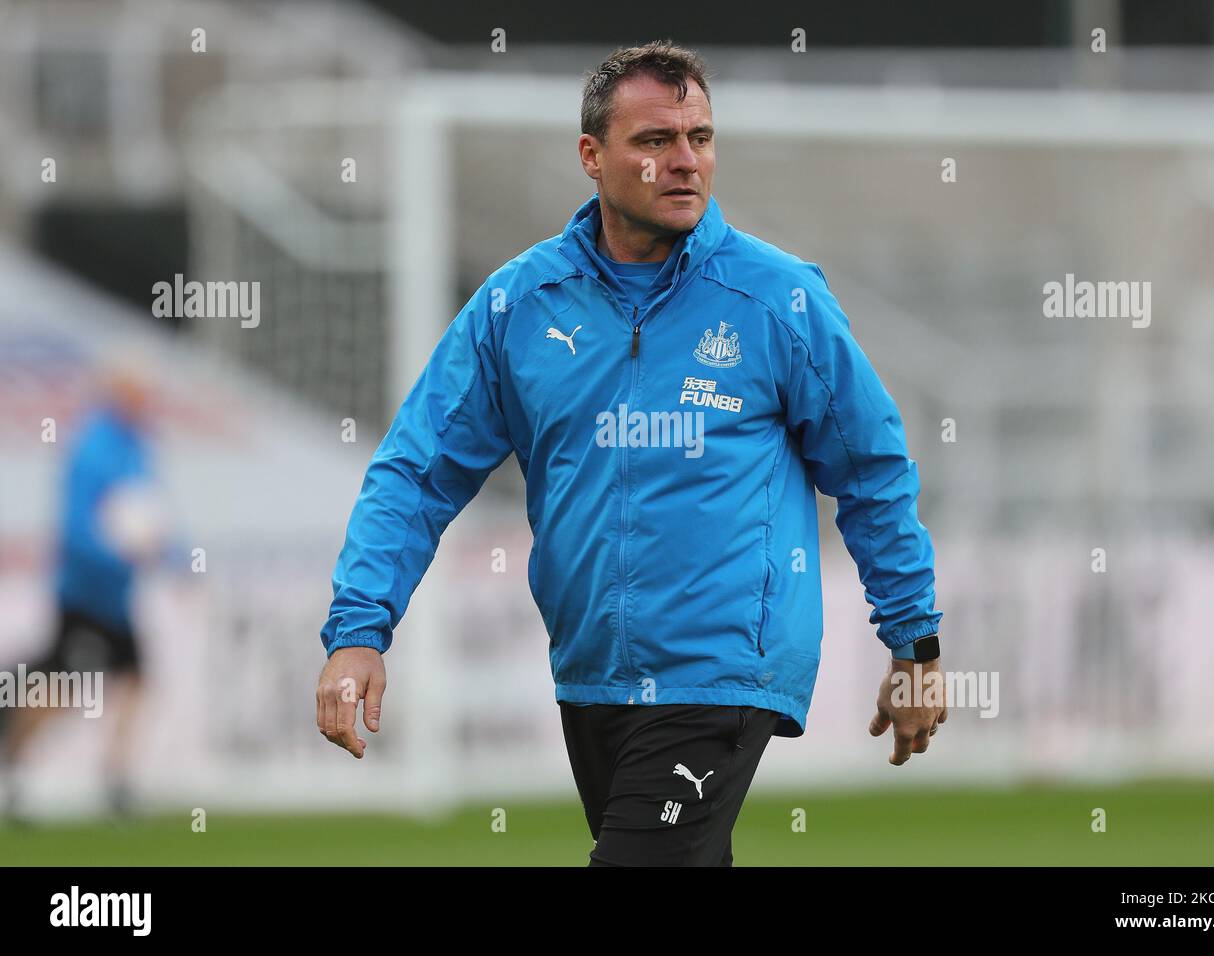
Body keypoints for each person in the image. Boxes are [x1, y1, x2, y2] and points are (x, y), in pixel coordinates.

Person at [316, 41, 946, 866]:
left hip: (722, 671)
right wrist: (358, 630)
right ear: (592, 156)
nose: (686, 161)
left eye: (701, 138)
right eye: (655, 141)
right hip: (591, 676)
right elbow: (416, 472)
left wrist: (915, 645)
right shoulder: (518, 305)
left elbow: (870, 470)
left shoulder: (776, 298)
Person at [0, 364, 161, 820]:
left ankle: (116, 778)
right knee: (65, 688)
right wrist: (124, 556)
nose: (146, 400)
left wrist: (166, 554)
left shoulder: (136, 448)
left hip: (116, 597)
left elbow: (150, 516)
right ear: (118, 392)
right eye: (138, 391)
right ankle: (15, 770)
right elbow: (75, 532)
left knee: (136, 679)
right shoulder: (92, 449)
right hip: (85, 595)